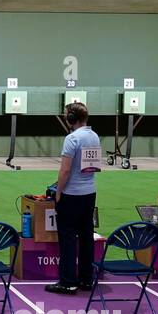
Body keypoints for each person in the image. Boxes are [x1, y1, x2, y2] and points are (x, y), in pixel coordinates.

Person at [46, 102, 101, 295]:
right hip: (89, 193)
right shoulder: (94, 136)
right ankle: (86, 279)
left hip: (72, 194)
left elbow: (65, 170)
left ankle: (68, 281)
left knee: (67, 238)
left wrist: (58, 191)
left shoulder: (72, 138)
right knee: (86, 237)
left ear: (72, 118)